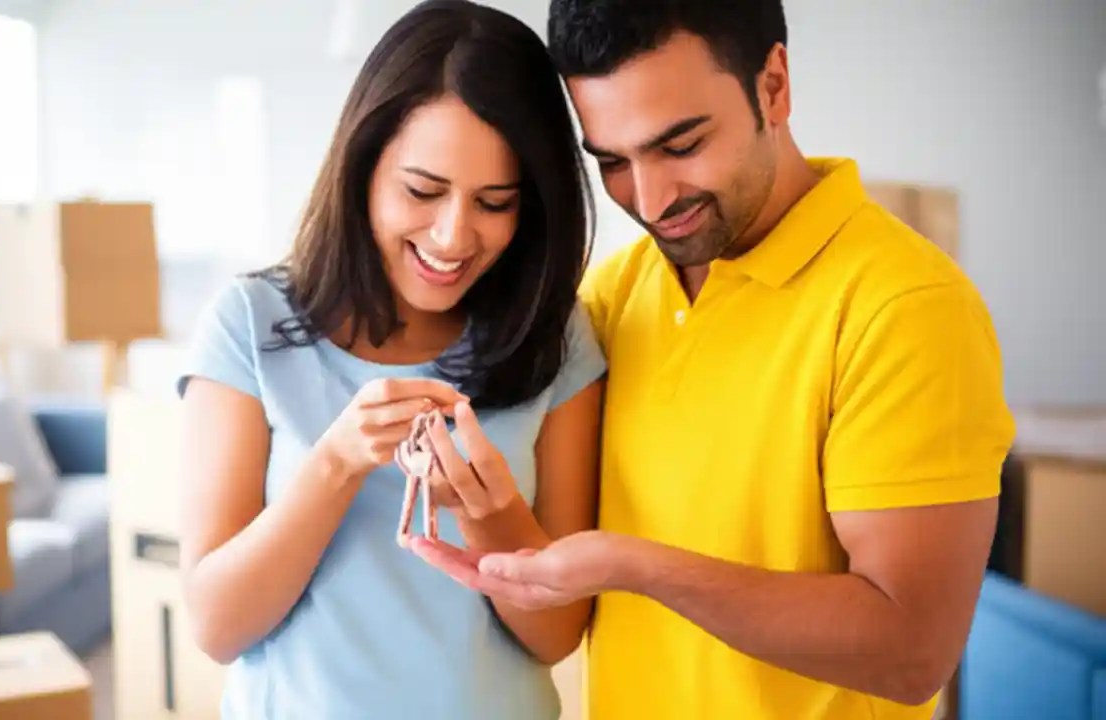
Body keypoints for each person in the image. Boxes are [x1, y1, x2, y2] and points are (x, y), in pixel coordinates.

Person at [411, 2, 1015, 719]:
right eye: (612, 161)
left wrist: (635, 567)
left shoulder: (906, 308)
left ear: (774, 85)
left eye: (681, 144)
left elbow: (911, 651)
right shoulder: (615, 294)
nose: (652, 198)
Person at [175, 1, 605, 718]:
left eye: (495, 202)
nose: (452, 235)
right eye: (422, 191)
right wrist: (338, 462)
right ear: (362, 165)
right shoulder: (249, 324)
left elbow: (557, 635)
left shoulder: (557, 338)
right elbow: (216, 626)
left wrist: (490, 511)